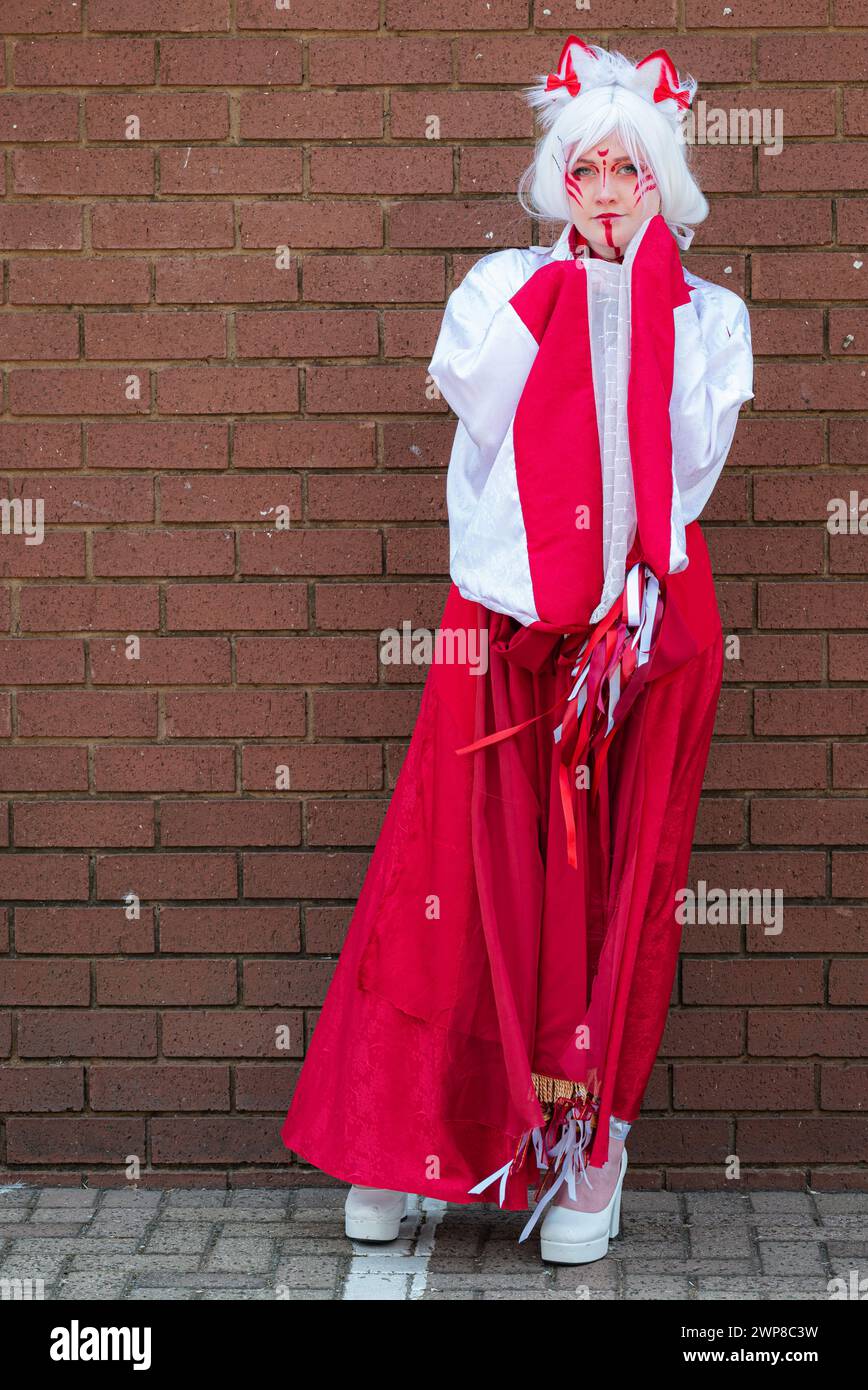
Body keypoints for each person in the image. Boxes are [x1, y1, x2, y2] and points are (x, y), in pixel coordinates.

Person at [281, 36, 754, 1266]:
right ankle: (405, 1139)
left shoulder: (709, 316)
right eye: (585, 167)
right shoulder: (500, 287)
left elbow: (685, 472)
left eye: (630, 170)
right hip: (502, 620)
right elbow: (482, 404)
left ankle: (585, 1149)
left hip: (645, 629)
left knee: (613, 893)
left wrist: (636, 304)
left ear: (664, 185)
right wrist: (573, 294)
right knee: (451, 875)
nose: (606, 190)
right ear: (557, 178)